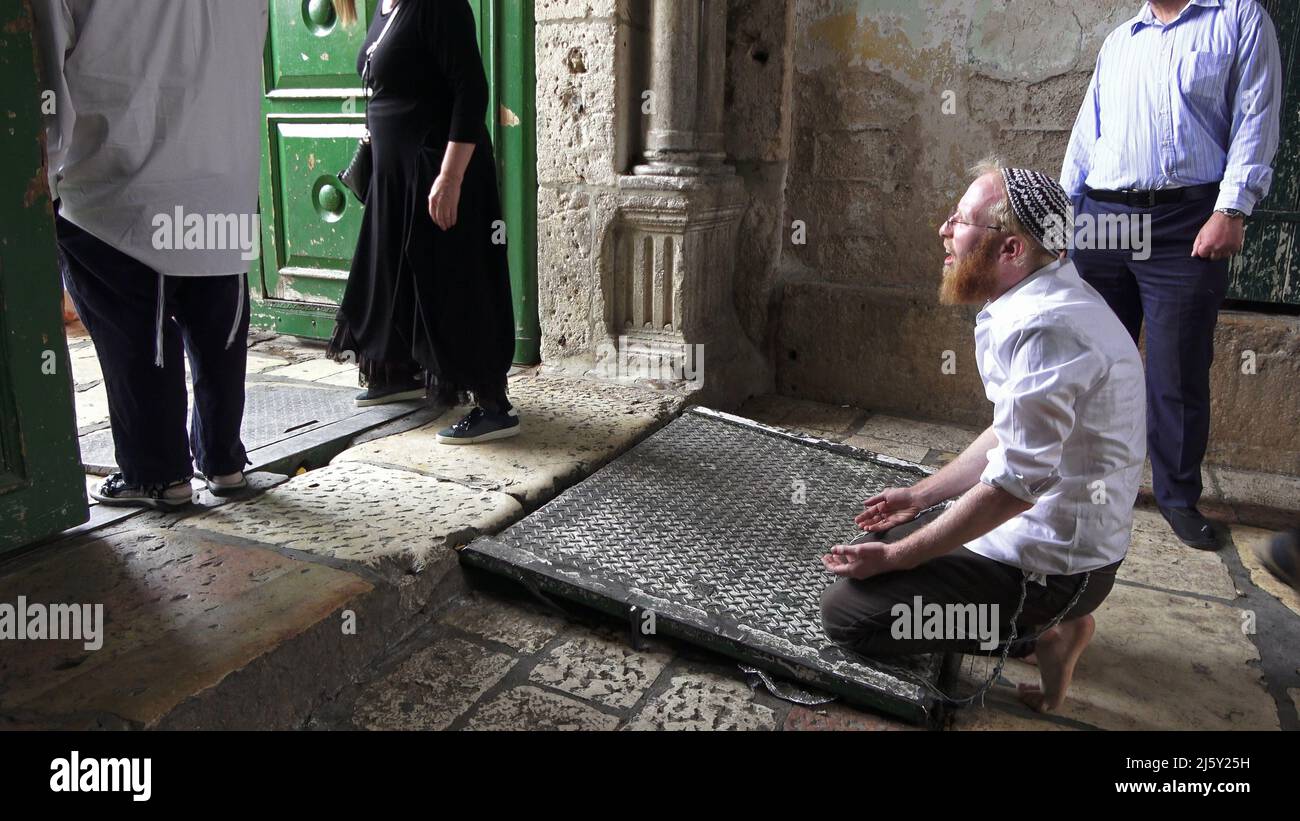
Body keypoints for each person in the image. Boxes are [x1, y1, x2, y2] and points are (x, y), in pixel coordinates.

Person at [820, 162, 1147, 713]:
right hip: (1045, 546)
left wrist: (900, 558)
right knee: (894, 536)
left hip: (1054, 572)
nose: (944, 230)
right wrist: (923, 495)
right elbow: (1007, 431)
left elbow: (1015, 485)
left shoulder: (1048, 327)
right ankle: (1040, 620)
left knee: (850, 616)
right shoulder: (1046, 295)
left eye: (961, 220)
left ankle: (1042, 628)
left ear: (1012, 249)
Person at [1061, 0, 1282, 550]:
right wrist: (1064, 215)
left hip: (1186, 220)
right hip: (1103, 219)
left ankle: (1177, 498)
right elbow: (1089, 131)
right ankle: (1073, 483)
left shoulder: (1238, 17)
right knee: (1084, 360)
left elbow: (1257, 112)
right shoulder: (1121, 40)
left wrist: (1232, 210)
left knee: (1177, 371)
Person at [34, 0, 269, 508]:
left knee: (135, 341)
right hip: (222, 176)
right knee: (218, 333)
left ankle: (158, 475)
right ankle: (224, 462)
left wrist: (43, 174)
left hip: (118, 189)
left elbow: (47, 78)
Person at [327, 0, 519, 445]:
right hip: (396, 176)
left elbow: (472, 91)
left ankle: (493, 406)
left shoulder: (437, 5)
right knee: (391, 277)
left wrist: (450, 178)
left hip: (438, 168)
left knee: (453, 282)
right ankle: (400, 373)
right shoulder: (385, 8)